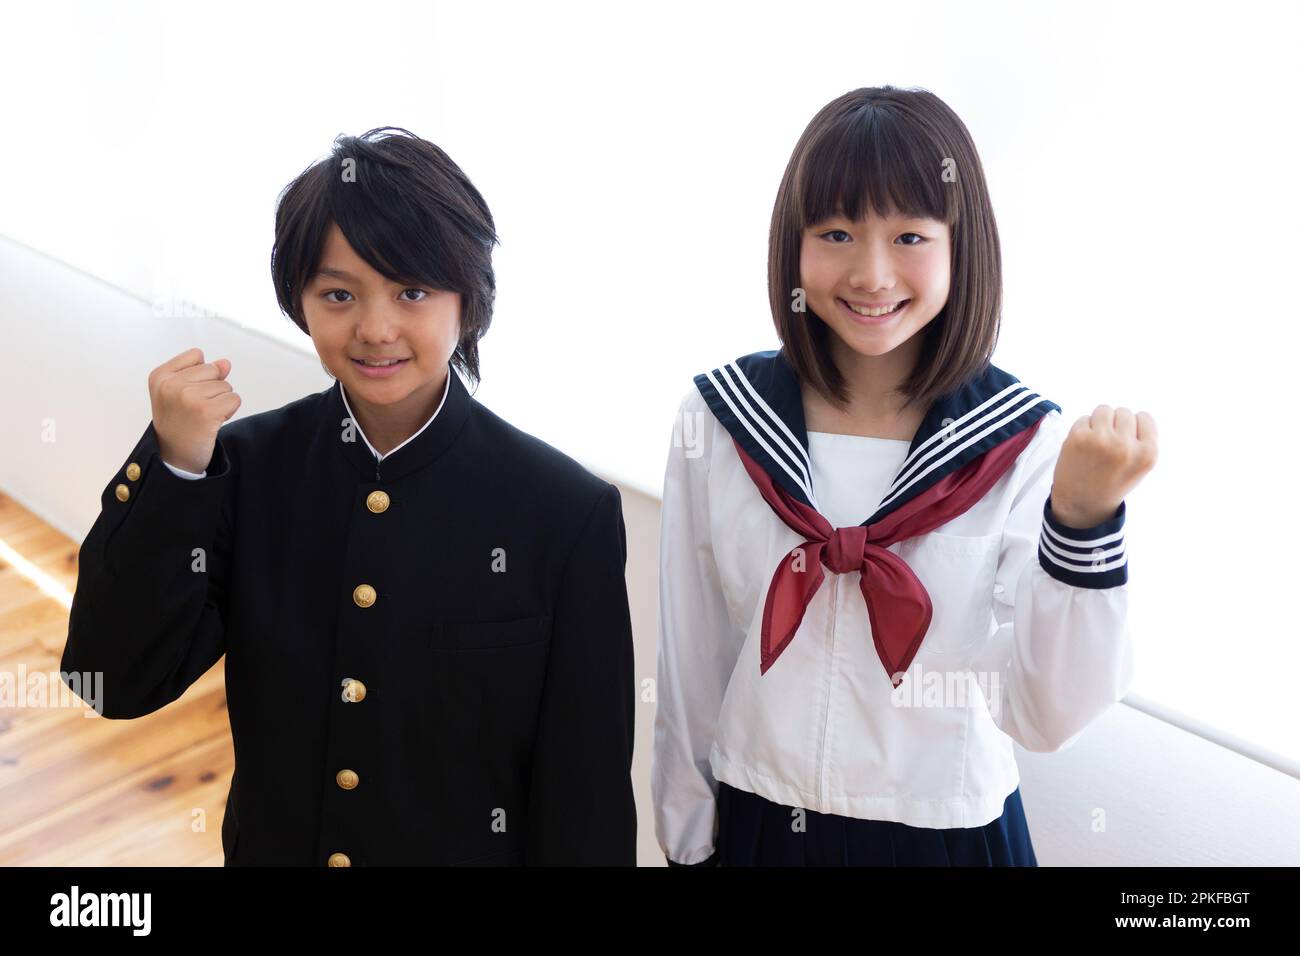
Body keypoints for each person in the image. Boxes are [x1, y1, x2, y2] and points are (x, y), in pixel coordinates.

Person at [61, 127, 637, 866]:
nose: (375, 328)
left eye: (413, 291)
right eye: (339, 293)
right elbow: (109, 681)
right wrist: (173, 466)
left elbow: (583, 804)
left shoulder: (564, 511)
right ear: (299, 300)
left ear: (470, 298)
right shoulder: (241, 469)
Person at [651, 87, 1159, 867]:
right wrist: (687, 841)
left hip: (947, 839)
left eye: (911, 236)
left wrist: (1082, 522)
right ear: (794, 244)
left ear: (964, 246)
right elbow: (693, 658)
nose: (872, 272)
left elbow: (1045, 712)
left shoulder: (1023, 443)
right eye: (837, 232)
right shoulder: (720, 420)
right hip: (762, 827)